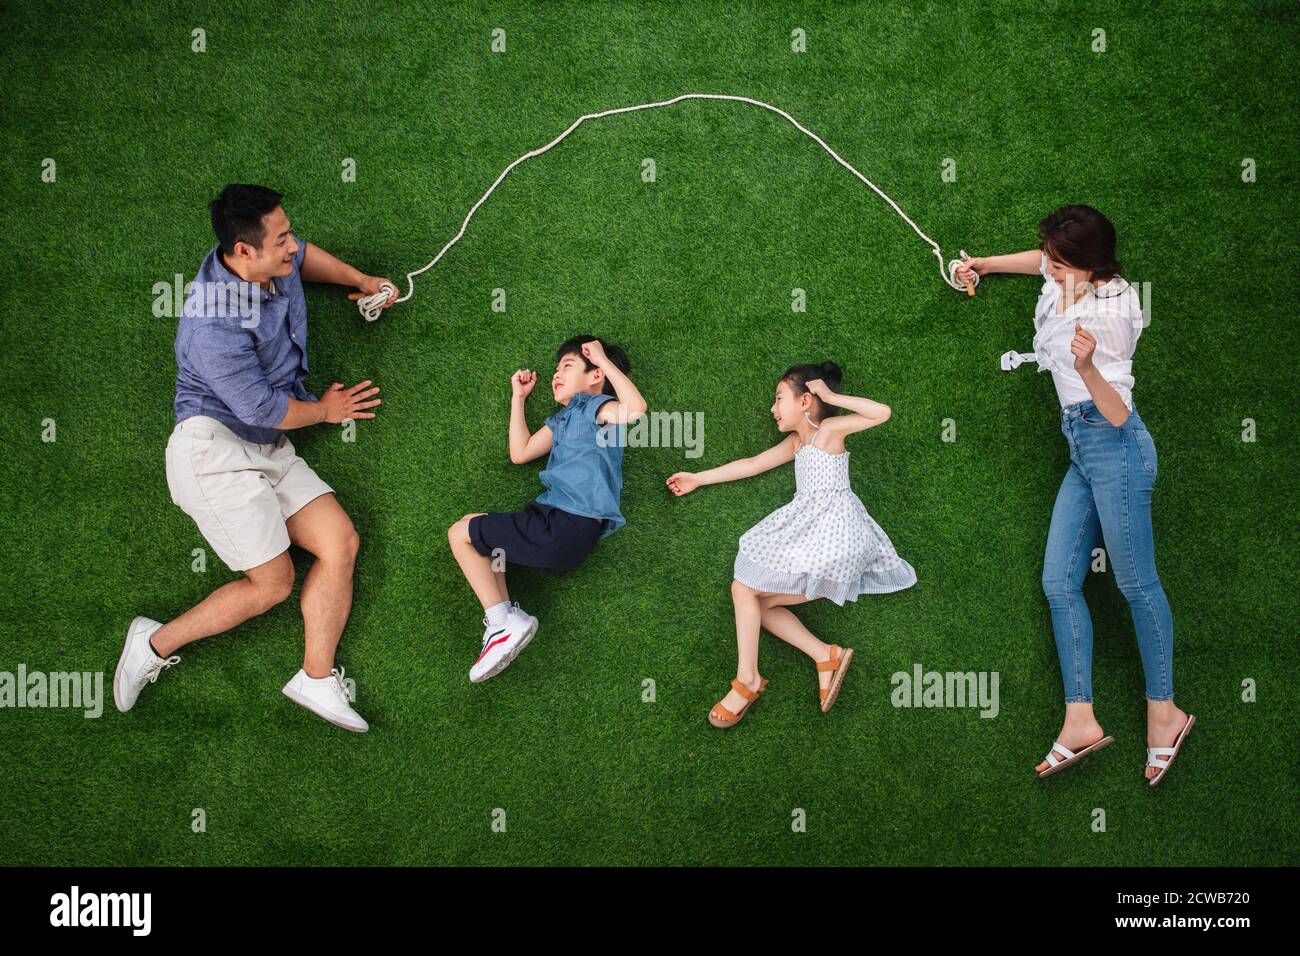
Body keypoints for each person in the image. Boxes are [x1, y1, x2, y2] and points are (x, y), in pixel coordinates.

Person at [116, 183, 396, 732]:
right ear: (244, 251)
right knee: (272, 584)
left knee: (340, 542)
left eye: (289, 232)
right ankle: (150, 642)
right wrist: (329, 409)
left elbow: (305, 258)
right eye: (282, 239)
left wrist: (362, 282)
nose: (293, 247)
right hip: (213, 451)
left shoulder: (271, 260)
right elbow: (267, 408)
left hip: (264, 443)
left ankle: (315, 679)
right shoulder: (212, 325)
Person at [958, 204, 1194, 784]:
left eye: (1063, 266)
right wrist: (984, 265)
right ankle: (1080, 718)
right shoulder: (1068, 274)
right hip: (1082, 449)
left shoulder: (1113, 312)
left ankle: (1165, 715)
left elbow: (1117, 412)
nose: (1051, 270)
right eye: (1052, 260)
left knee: (1137, 582)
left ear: (1090, 267)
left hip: (1114, 443)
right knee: (1058, 582)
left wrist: (1087, 369)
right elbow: (1041, 261)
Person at [666, 362, 915, 727]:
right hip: (819, 537)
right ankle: (825, 654)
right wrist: (698, 478)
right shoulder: (798, 442)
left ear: (805, 401)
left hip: (835, 537)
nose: (772, 408)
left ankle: (747, 681)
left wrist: (831, 398)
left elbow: (882, 413)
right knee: (756, 603)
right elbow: (752, 464)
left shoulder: (829, 430)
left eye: (779, 397)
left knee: (742, 588)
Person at [448, 335, 646, 682]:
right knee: (474, 527)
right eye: (556, 369)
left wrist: (602, 357)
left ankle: (500, 622)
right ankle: (505, 621)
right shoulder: (564, 418)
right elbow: (520, 452)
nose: (556, 374)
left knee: (459, 534)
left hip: (568, 524)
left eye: (567, 366)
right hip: (552, 521)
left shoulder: (597, 409)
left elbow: (635, 410)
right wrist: (518, 400)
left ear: (596, 374)